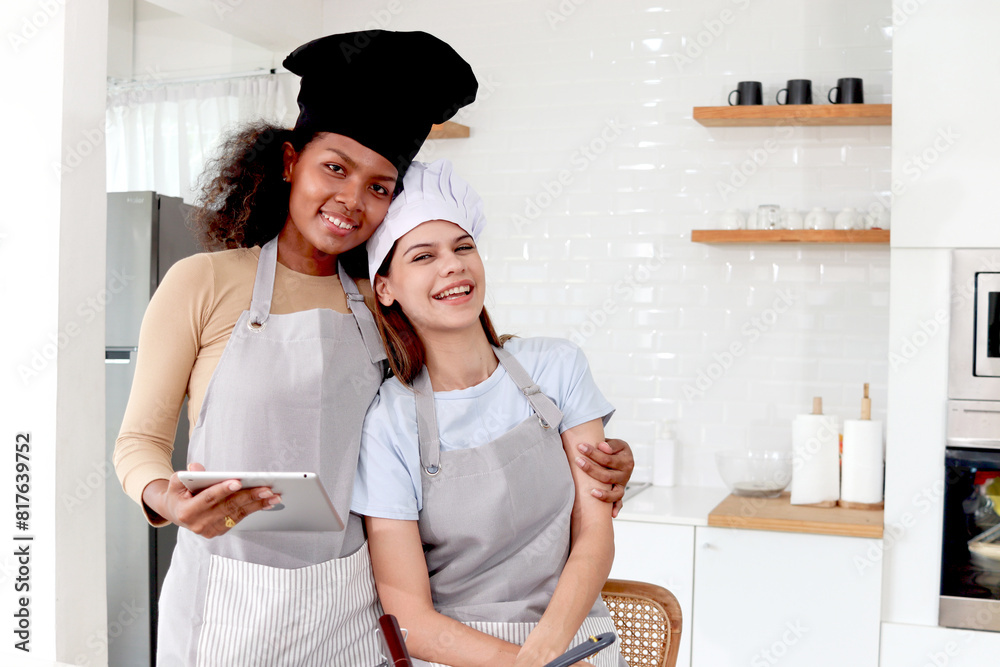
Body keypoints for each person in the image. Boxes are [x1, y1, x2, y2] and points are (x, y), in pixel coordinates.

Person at [112, 30, 635, 666]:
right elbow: (138, 442)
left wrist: (591, 450)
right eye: (334, 167)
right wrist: (166, 497)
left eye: (380, 186)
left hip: (357, 604)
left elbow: (478, 368)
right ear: (288, 161)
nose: (351, 201)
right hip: (231, 595)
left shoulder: (379, 297)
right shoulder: (205, 283)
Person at [353, 159, 627, 667]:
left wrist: (549, 650)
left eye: (463, 248)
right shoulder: (388, 422)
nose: (453, 265)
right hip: (460, 654)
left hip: (577, 640)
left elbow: (595, 532)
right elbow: (410, 617)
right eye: (422, 256)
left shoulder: (557, 366)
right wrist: (524, 663)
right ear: (385, 288)